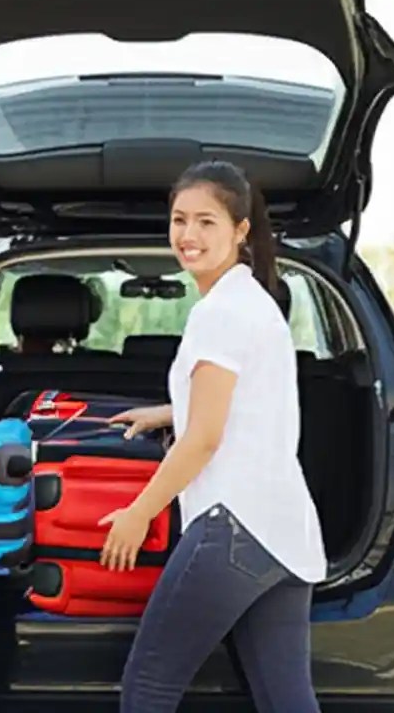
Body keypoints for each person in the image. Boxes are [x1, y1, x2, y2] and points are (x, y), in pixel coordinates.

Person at [99, 160, 326, 712]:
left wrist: (138, 513)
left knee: (148, 687)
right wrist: (165, 411)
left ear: (241, 230)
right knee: (285, 699)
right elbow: (239, 403)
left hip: (232, 527)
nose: (188, 235)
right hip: (281, 528)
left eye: (206, 222)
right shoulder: (251, 303)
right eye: (179, 220)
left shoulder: (220, 312)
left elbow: (203, 438)